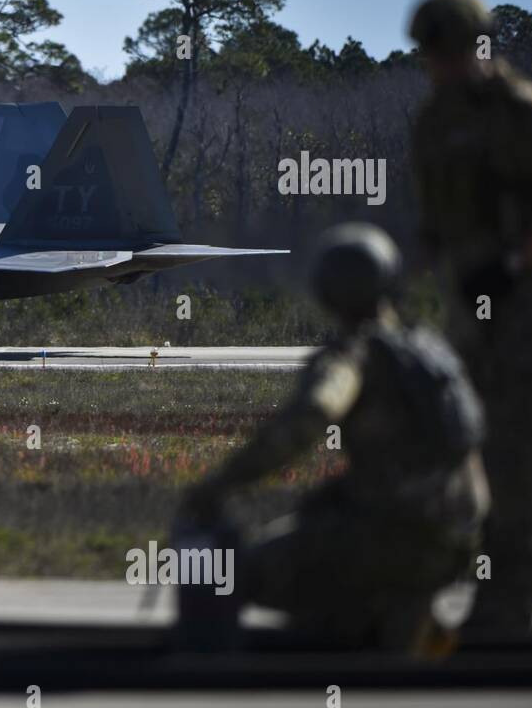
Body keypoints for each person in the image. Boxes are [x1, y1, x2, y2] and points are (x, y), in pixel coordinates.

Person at [183, 224, 489, 651]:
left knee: (235, 570)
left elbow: (313, 414)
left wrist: (222, 483)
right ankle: (381, 626)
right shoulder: (429, 350)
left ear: (328, 291)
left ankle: (216, 668)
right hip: (458, 541)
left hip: (395, 537)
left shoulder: (355, 356)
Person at [410, 0, 532, 639]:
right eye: (435, 55)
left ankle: (509, 610)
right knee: (456, 454)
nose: (444, 65)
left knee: (514, 460)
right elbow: (434, 221)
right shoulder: (434, 119)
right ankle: (434, 598)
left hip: (523, 313)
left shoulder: (518, 113)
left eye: (453, 53)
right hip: (468, 312)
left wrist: (513, 269)